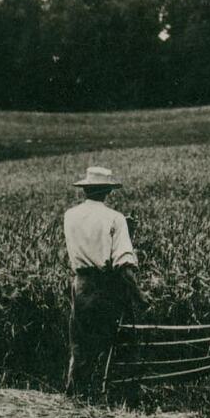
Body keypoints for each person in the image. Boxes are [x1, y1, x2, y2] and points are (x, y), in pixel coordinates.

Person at [63, 166, 145, 398]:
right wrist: (139, 296)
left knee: (80, 345)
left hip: (81, 286)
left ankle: (76, 394)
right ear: (108, 190)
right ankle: (115, 395)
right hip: (107, 287)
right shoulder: (116, 219)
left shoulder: (70, 216)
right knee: (119, 344)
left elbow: (90, 240)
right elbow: (123, 266)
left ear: (85, 190)